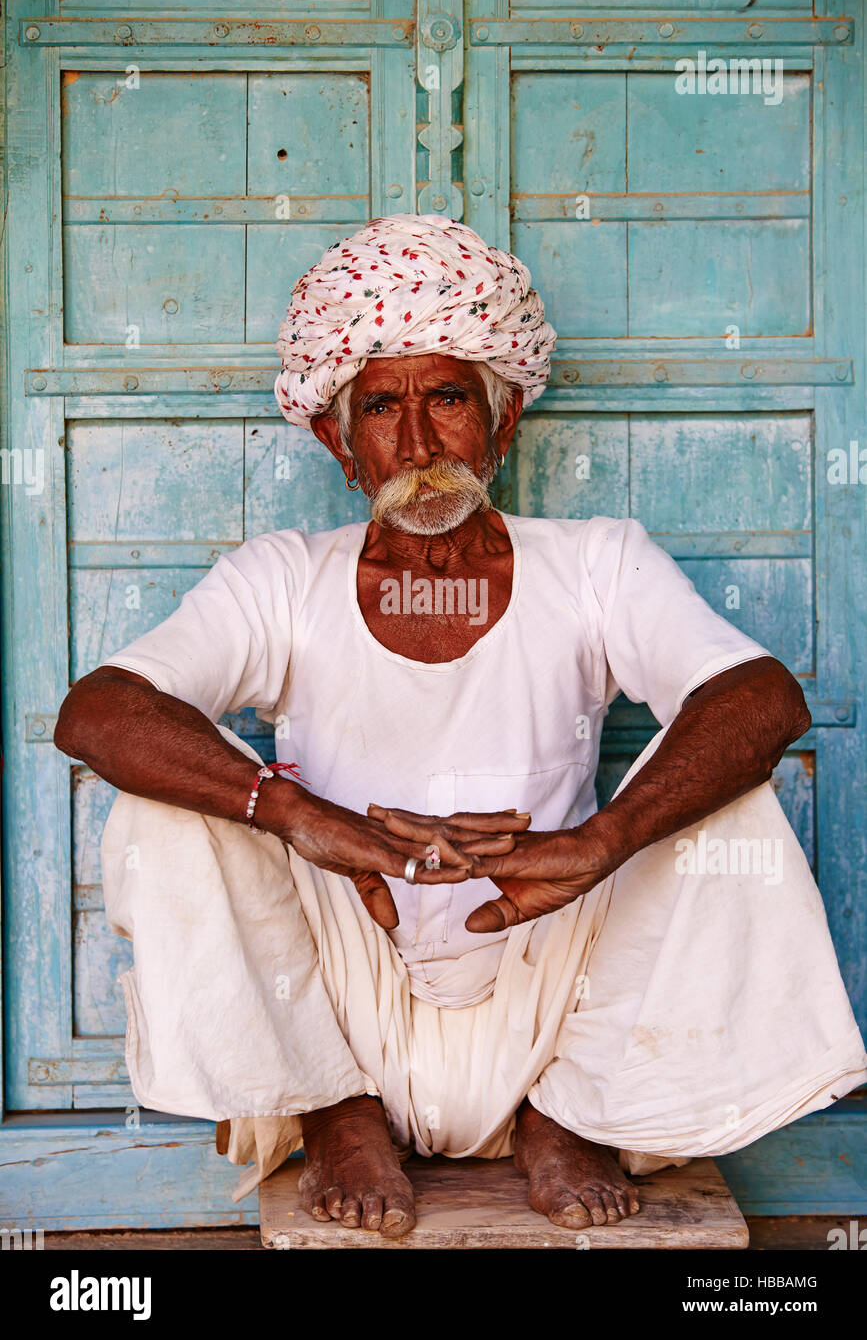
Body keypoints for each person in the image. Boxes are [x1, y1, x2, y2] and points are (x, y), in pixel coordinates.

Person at [54, 214, 867, 1240]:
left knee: (735, 808)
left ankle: (567, 1115)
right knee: (163, 813)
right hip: (346, 985)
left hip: (553, 977)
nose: (421, 442)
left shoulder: (594, 561)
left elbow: (762, 699)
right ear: (335, 439)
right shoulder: (281, 579)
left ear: (505, 418)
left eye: (447, 398)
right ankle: (339, 1111)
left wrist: (595, 843)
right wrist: (294, 810)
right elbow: (98, 711)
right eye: (383, 407)